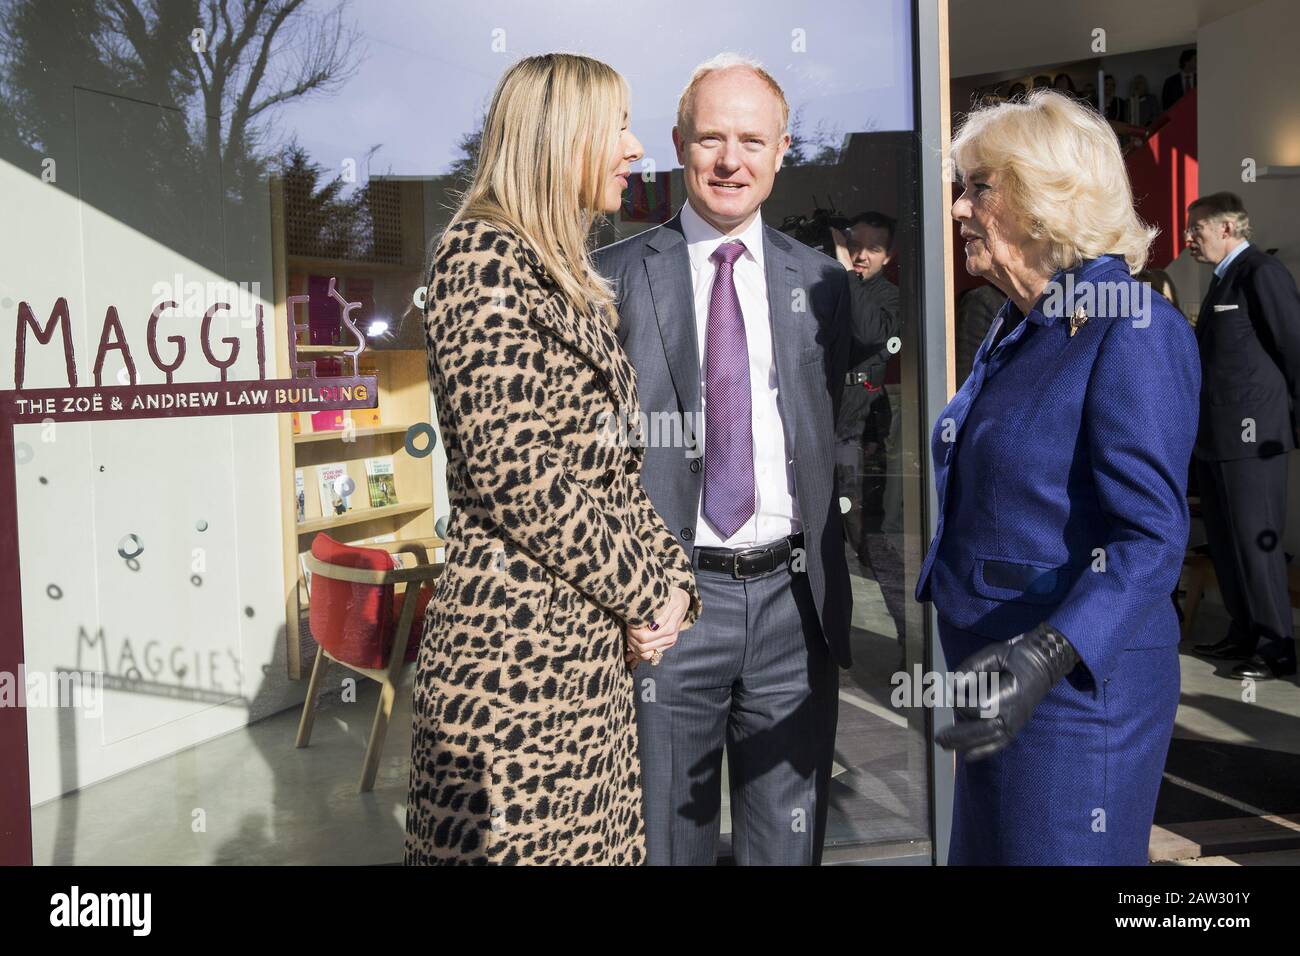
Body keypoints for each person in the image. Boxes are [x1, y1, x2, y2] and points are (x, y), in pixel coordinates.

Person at [405, 53, 701, 866]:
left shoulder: (562, 274)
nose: (636, 148)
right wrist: (645, 593)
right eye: (618, 126)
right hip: (512, 678)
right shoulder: (480, 259)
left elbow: (610, 471)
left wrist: (674, 582)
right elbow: (517, 477)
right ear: (560, 137)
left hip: (583, 667)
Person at [915, 89, 1199, 864]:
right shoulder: (1021, 321)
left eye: (979, 186)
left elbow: (1151, 538)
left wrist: (1044, 655)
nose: (958, 208)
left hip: (1075, 693)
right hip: (995, 680)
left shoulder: (1130, 324)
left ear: (1045, 199)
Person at [594, 53, 853, 866]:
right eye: (710, 138)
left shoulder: (822, 284)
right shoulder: (612, 279)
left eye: (752, 139)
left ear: (782, 151)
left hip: (792, 609)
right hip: (669, 614)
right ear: (678, 145)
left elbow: (825, 433)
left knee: (787, 848)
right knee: (667, 848)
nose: (730, 160)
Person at [1185, 192, 1300, 680]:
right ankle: (1244, 634)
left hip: (1253, 441)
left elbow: (1294, 347)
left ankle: (1277, 650)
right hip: (1218, 439)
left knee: (1256, 544)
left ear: (1227, 228)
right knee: (1228, 544)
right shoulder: (1222, 278)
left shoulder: (1261, 273)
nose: (1189, 238)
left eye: (1197, 229)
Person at [830, 212, 906, 645]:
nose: (860, 255)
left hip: (859, 433)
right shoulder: (834, 288)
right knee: (823, 540)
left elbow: (871, 332)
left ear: (888, 255)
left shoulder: (888, 297)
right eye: (854, 244)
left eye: (873, 248)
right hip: (826, 426)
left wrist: (845, 271)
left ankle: (908, 639)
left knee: (866, 541)